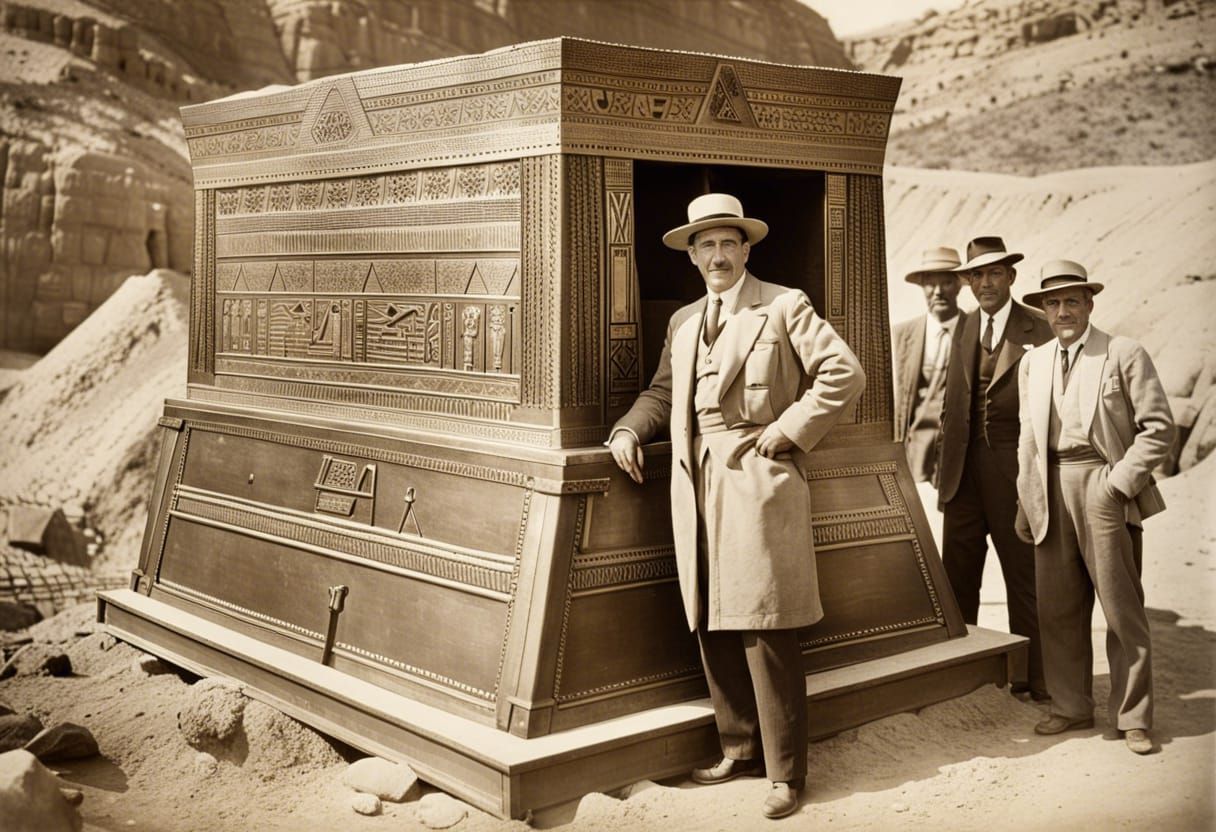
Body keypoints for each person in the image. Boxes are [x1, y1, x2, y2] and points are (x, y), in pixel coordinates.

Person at [607, 193, 864, 820]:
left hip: (759, 480)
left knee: (765, 622)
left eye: (729, 243)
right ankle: (740, 748)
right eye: (706, 245)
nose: (718, 255)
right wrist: (629, 430)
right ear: (692, 256)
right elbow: (664, 392)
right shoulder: (685, 320)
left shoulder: (783, 303)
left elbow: (844, 372)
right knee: (714, 615)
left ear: (746, 250)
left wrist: (790, 429)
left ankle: (785, 773)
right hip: (696, 484)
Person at [1014, 260, 1175, 754]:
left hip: (1105, 485)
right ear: (1043, 310)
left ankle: (1133, 716)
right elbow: (1028, 440)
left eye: (1072, 301)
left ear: (1089, 303)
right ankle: (1070, 706)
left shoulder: (1123, 353)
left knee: (1121, 606)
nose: (1063, 311)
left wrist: (1118, 485)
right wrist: (1027, 500)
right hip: (1049, 487)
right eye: (1054, 303)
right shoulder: (1033, 362)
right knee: (1058, 608)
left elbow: (1159, 429)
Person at [936, 236, 1053, 700]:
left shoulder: (1037, 327)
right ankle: (967, 680)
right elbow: (952, 402)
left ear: (1011, 277)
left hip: (1016, 475)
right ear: (966, 282)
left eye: (994, 274)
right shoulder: (963, 325)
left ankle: (1034, 680)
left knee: (1024, 579)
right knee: (958, 579)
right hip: (961, 476)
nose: (985, 283)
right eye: (976, 275)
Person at [892, 247, 968, 484]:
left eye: (946, 283)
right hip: (915, 451)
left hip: (962, 454)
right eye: (930, 284)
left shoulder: (977, 331)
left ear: (959, 285)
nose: (937, 292)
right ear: (922, 287)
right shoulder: (901, 335)